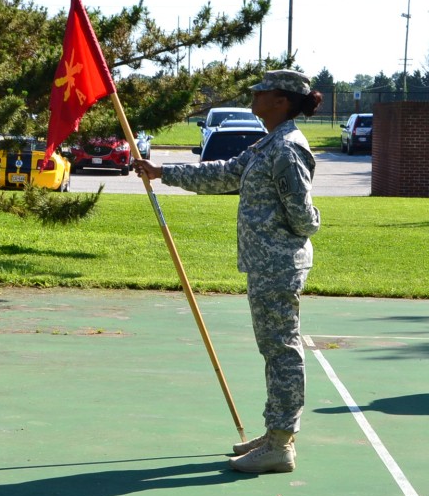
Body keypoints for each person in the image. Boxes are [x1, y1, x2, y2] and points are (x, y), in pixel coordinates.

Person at [133, 69, 322, 474]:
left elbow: (303, 216)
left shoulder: (287, 148)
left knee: (281, 352)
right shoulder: (269, 144)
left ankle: (281, 444)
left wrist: (307, 225)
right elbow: (224, 173)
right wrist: (163, 172)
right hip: (265, 263)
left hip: (279, 264)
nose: (253, 97)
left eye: (262, 92)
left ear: (282, 101)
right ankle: (274, 435)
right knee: (273, 349)